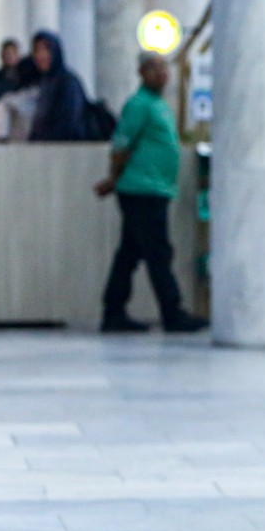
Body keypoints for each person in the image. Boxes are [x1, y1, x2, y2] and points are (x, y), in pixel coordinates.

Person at [93, 51, 208, 334]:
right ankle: (172, 313)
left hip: (154, 189)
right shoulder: (139, 104)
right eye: (153, 68)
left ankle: (114, 312)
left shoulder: (158, 104)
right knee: (158, 252)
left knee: (129, 254)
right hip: (141, 190)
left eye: (163, 67)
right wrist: (113, 178)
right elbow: (121, 145)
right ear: (141, 72)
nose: (161, 73)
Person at [27, 31, 91, 141]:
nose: (40, 56)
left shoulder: (68, 82)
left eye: (45, 50)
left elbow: (69, 122)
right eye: (36, 50)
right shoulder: (45, 82)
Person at [0, 39, 21, 112]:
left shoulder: (25, 76)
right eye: (7, 53)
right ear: (2, 55)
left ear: (18, 55)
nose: (9, 56)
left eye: (12, 53)